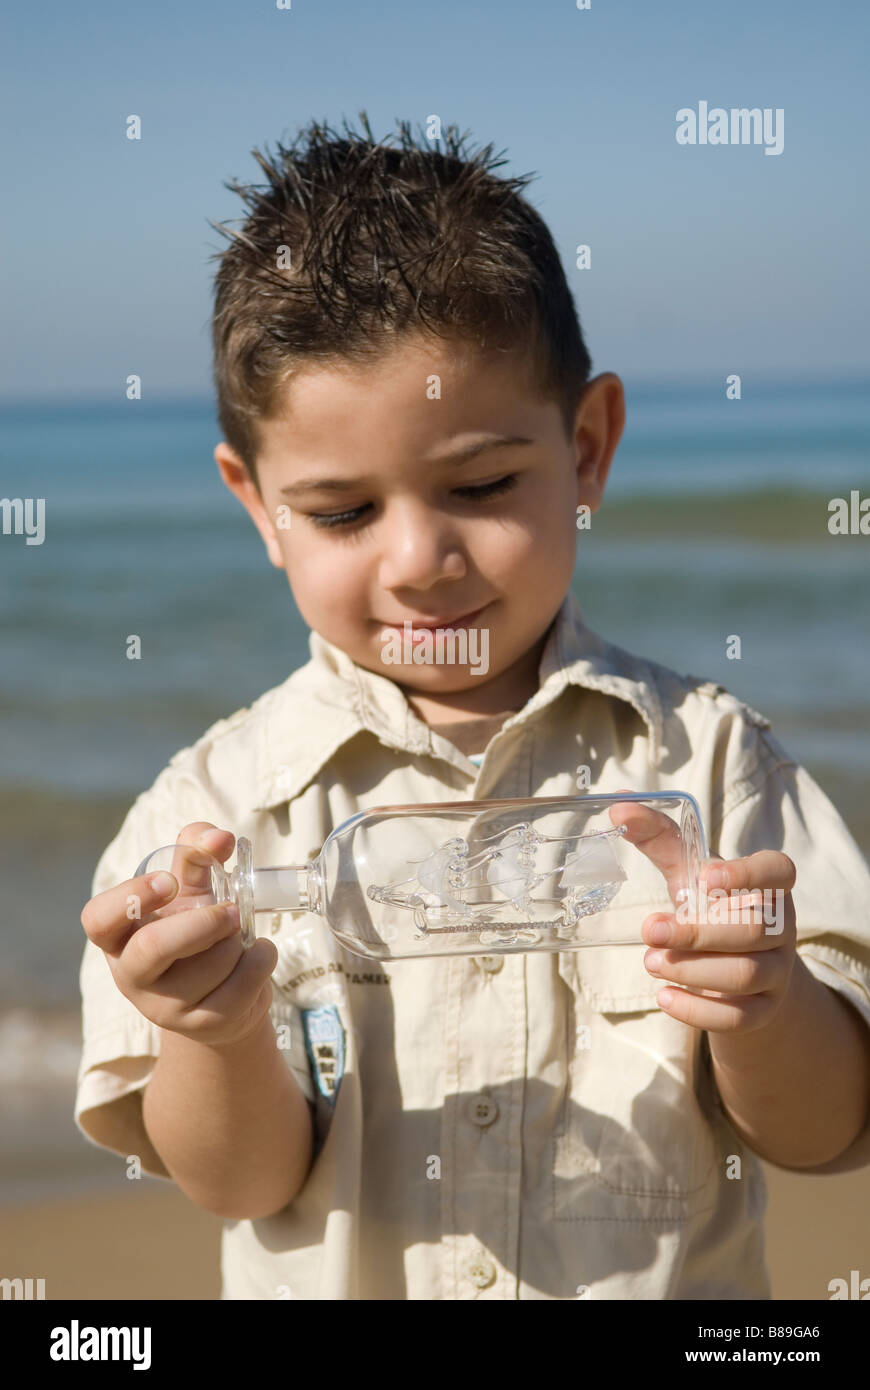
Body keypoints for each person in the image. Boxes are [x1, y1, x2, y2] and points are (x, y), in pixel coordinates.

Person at [76, 115, 870, 1300]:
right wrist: (215, 1030)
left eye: (483, 484)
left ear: (588, 445)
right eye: (341, 511)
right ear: (257, 504)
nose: (419, 559)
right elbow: (238, 1185)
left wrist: (766, 1005)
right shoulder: (213, 812)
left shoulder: (710, 760)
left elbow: (825, 1133)